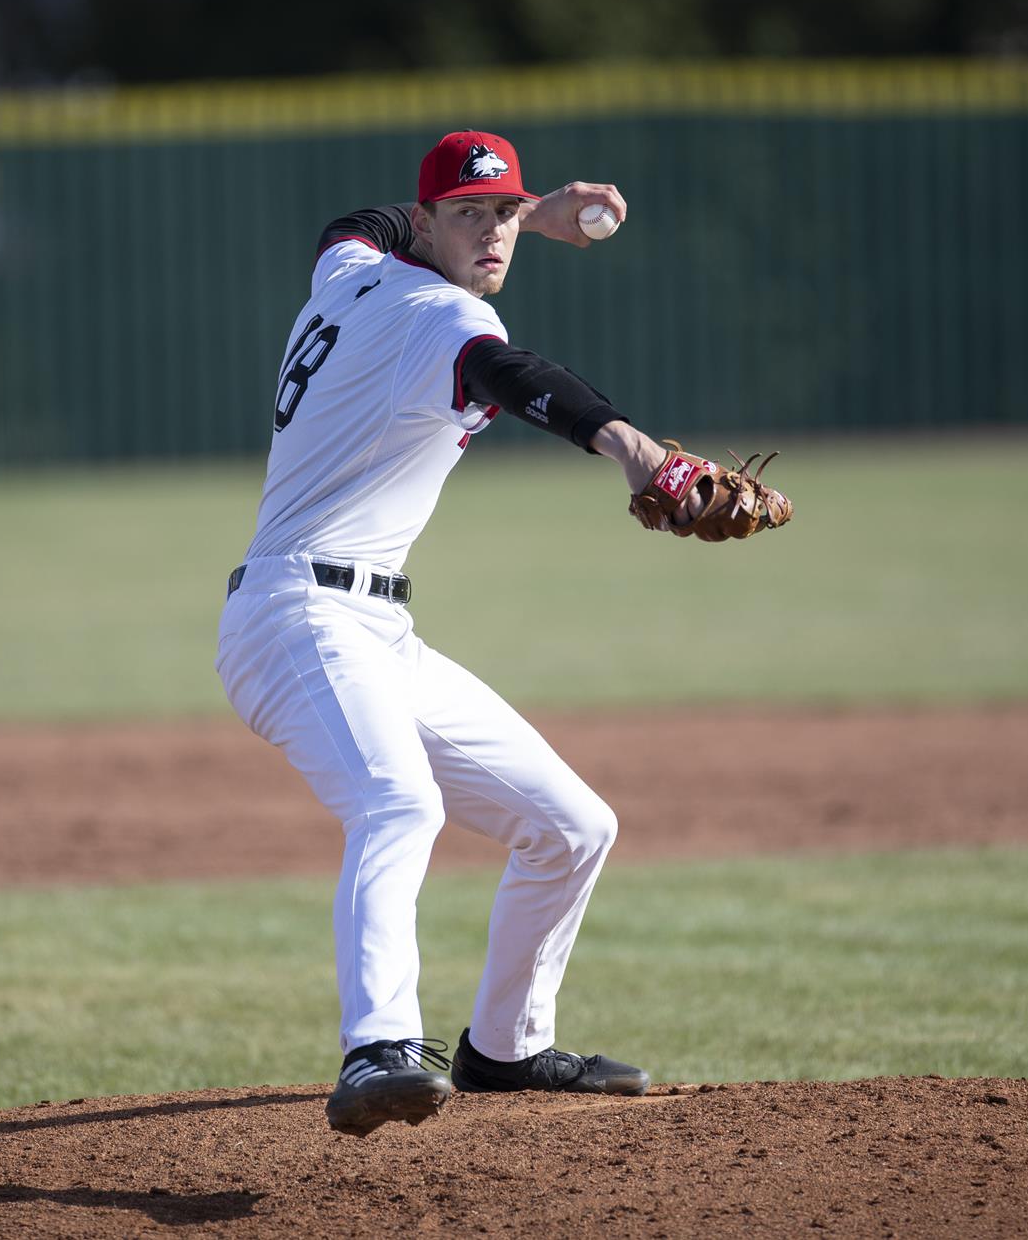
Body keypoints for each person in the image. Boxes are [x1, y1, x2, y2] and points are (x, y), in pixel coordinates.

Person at [215, 130, 702, 1137]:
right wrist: (628, 445)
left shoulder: (351, 270)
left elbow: (352, 221)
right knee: (397, 802)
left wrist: (542, 209)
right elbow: (513, 371)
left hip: (372, 626)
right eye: (468, 214)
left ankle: (506, 1048)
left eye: (504, 213)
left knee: (573, 826)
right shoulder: (438, 314)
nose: (491, 231)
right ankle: (376, 1045)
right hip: (297, 617)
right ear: (428, 223)